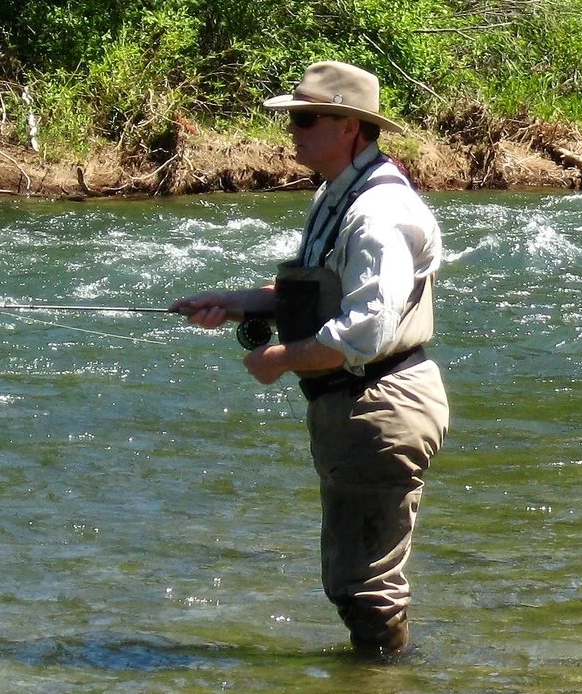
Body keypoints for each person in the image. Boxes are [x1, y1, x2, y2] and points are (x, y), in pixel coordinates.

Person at [173, 60, 449, 655]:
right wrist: (237, 303)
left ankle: (385, 676)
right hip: (357, 403)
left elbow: (364, 332)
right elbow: (317, 292)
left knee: (366, 586)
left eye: (304, 119)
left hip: (380, 403)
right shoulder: (337, 194)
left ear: (348, 126)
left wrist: (279, 359)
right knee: (352, 578)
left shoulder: (377, 214)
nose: (291, 131)